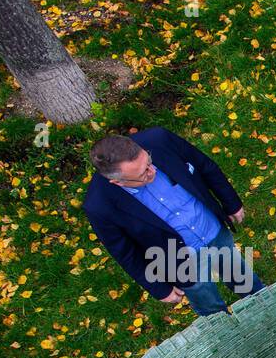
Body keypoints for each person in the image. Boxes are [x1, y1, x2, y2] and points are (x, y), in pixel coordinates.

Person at [83, 128, 265, 316]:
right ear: (118, 183)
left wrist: (231, 203)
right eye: (142, 174)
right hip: (178, 261)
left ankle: (262, 303)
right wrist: (159, 289)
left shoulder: (159, 139)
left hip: (212, 230)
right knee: (207, 301)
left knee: (239, 274)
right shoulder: (99, 206)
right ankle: (221, 326)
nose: (152, 171)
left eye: (149, 162)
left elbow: (204, 166)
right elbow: (125, 253)